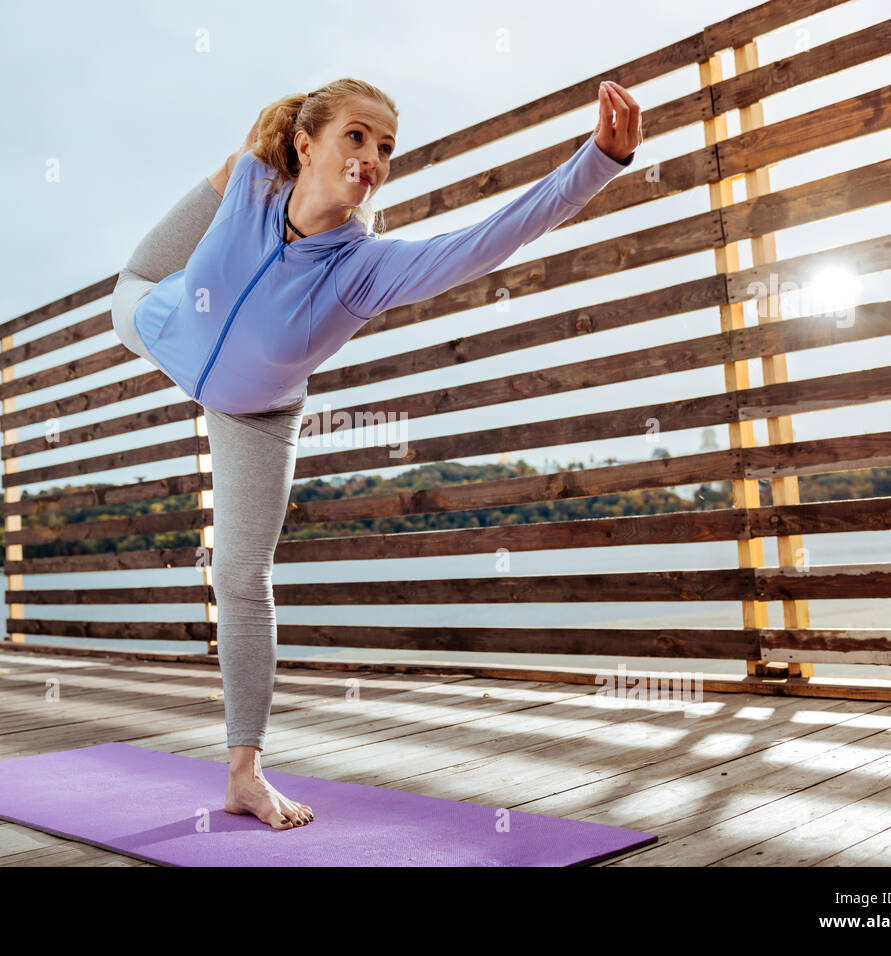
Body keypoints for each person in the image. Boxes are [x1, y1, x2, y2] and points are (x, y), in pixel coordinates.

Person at [113, 77, 642, 830]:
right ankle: (151, 288)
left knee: (240, 576)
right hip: (157, 324)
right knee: (128, 286)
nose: (371, 157)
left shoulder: (361, 270)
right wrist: (238, 177)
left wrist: (598, 161)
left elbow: (486, 241)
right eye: (355, 137)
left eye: (385, 147)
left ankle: (243, 776)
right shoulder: (253, 181)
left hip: (254, 412)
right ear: (306, 145)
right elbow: (174, 252)